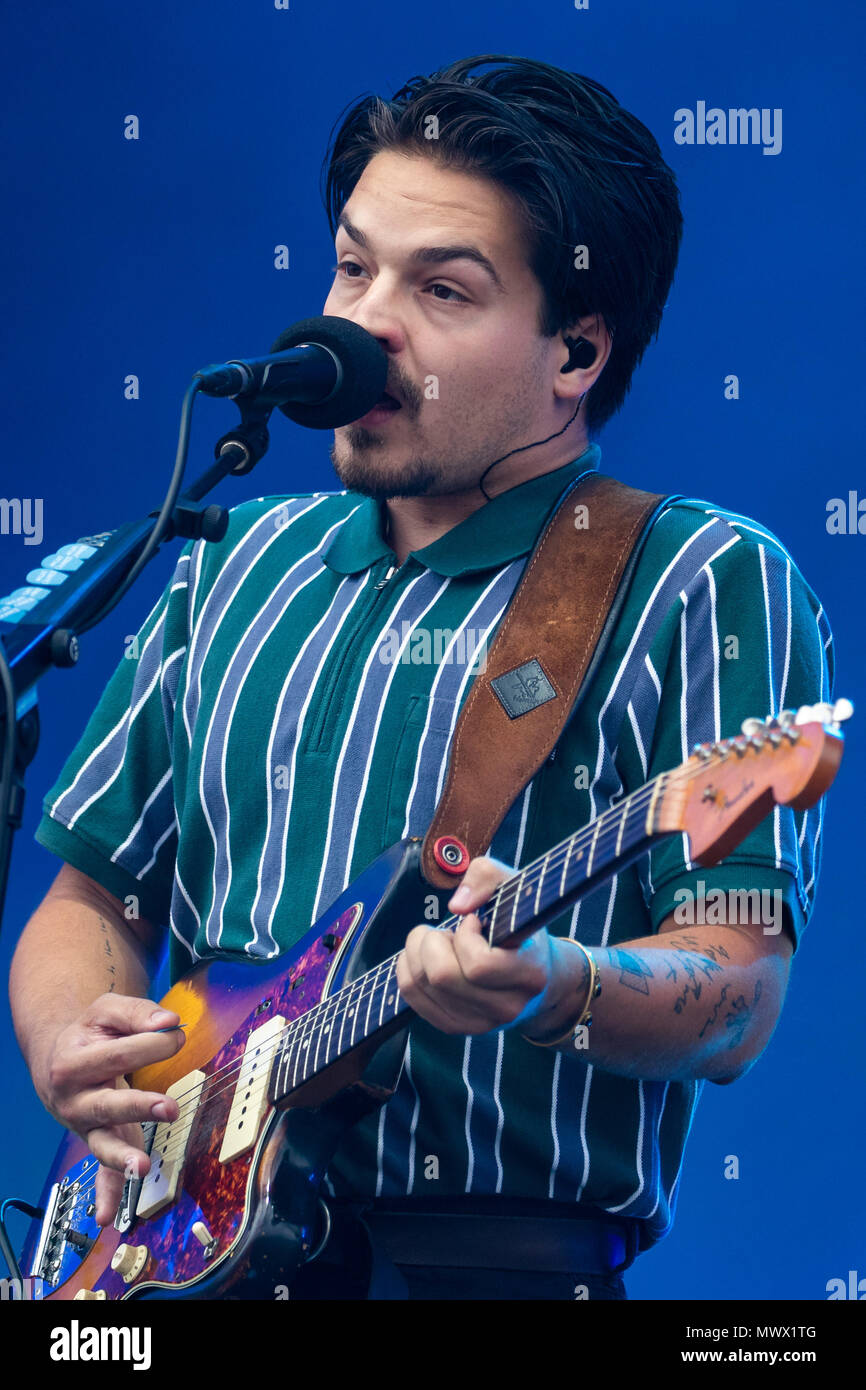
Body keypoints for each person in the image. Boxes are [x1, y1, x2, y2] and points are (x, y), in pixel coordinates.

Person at [9, 55, 833, 1301]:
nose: (360, 323)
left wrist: (558, 985)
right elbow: (90, 901)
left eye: (440, 288)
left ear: (575, 350)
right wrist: (74, 1035)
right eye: (352, 267)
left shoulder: (700, 577)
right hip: (168, 1268)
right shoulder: (229, 562)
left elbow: (736, 997)